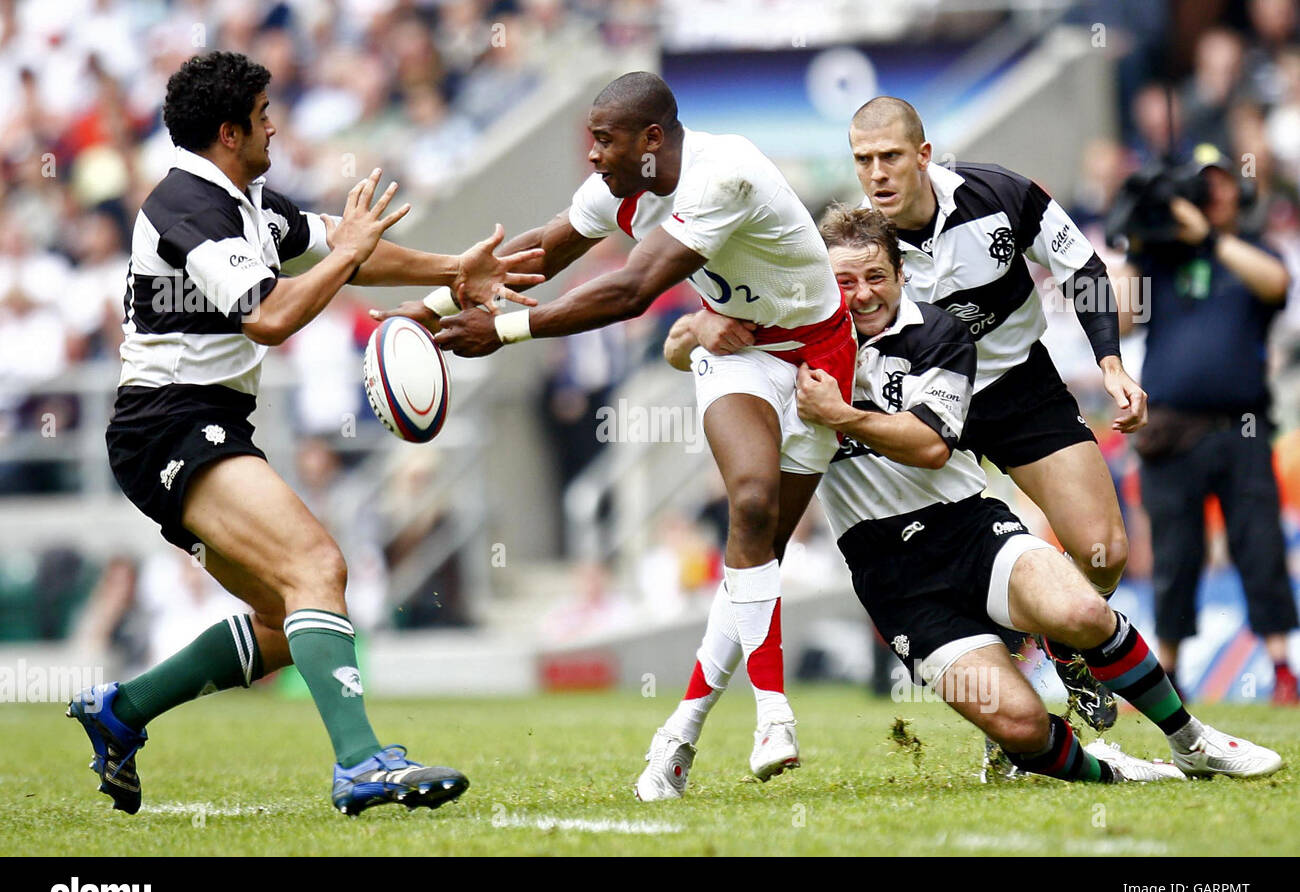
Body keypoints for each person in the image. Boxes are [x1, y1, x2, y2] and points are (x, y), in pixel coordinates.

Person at [66, 51, 544, 816]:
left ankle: (121, 712)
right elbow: (270, 314)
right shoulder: (184, 205)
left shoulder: (249, 201)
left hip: (201, 423)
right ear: (229, 132)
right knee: (317, 565)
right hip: (168, 426)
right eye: (263, 117)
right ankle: (360, 763)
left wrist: (454, 269)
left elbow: (345, 255)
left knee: (288, 621)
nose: (275, 127)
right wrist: (349, 251)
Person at [666, 205, 1283, 783]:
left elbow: (931, 445)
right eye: (844, 282)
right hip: (892, 576)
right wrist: (697, 325)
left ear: (902, 274)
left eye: (876, 277)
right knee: (1021, 725)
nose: (862, 295)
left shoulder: (938, 334)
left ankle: (1191, 740)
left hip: (971, 530)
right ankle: (1111, 770)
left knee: (1084, 613)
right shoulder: (795, 344)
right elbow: (679, 350)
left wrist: (841, 415)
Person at [381, 72, 858, 796]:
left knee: (755, 555)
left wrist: (504, 331)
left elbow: (633, 291)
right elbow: (540, 254)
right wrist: (430, 306)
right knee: (753, 504)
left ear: (652, 140)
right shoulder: (617, 185)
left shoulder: (723, 173)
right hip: (734, 346)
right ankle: (774, 715)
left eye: (605, 140)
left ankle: (679, 732)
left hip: (821, 353)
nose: (593, 154)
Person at [690, 98, 1139, 747]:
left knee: (1105, 551)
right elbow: (770, 313)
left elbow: (1085, 269)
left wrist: (1110, 363)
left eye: (890, 157)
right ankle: (708, 716)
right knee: (888, 545)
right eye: (863, 160)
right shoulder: (847, 248)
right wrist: (702, 324)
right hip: (915, 405)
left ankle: (1065, 642)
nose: (876, 173)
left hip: (1015, 388)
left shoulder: (1000, 196)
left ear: (923, 155)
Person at [1114, 144, 1299, 705]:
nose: (1213, 192)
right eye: (1203, 184)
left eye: (1221, 182)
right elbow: (1119, 318)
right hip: (1172, 432)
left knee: (1259, 545)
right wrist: (1136, 239)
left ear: (1237, 192)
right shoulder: (1160, 259)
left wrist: (1210, 239)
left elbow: (1276, 284)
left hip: (1242, 428)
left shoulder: (1253, 250)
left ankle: (1281, 668)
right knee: (1175, 554)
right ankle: (1170, 672)